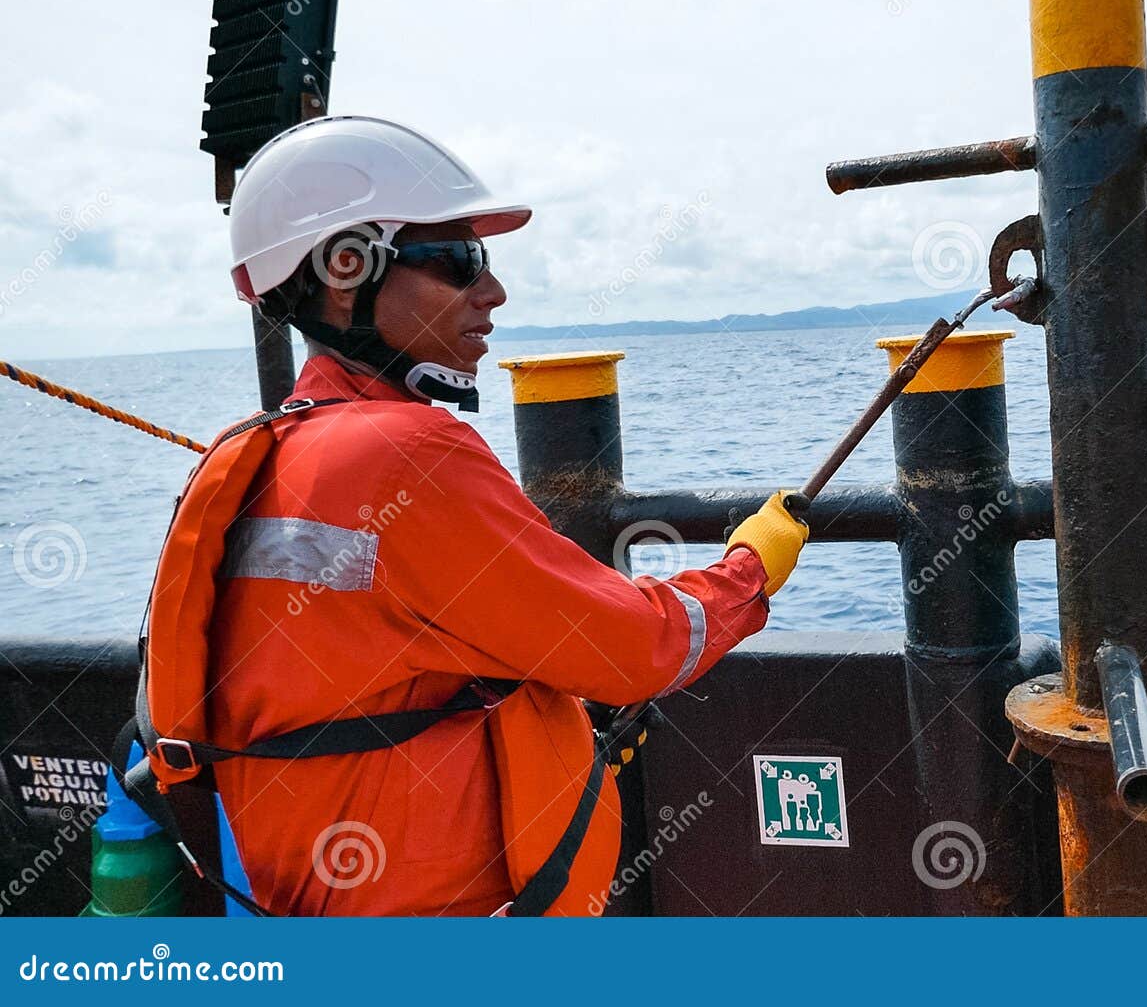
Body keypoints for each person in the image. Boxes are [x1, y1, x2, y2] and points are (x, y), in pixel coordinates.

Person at [131, 116, 808, 916]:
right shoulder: (406, 453)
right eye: (459, 260)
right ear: (346, 266)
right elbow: (637, 648)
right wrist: (749, 569)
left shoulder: (250, 456)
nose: (493, 292)